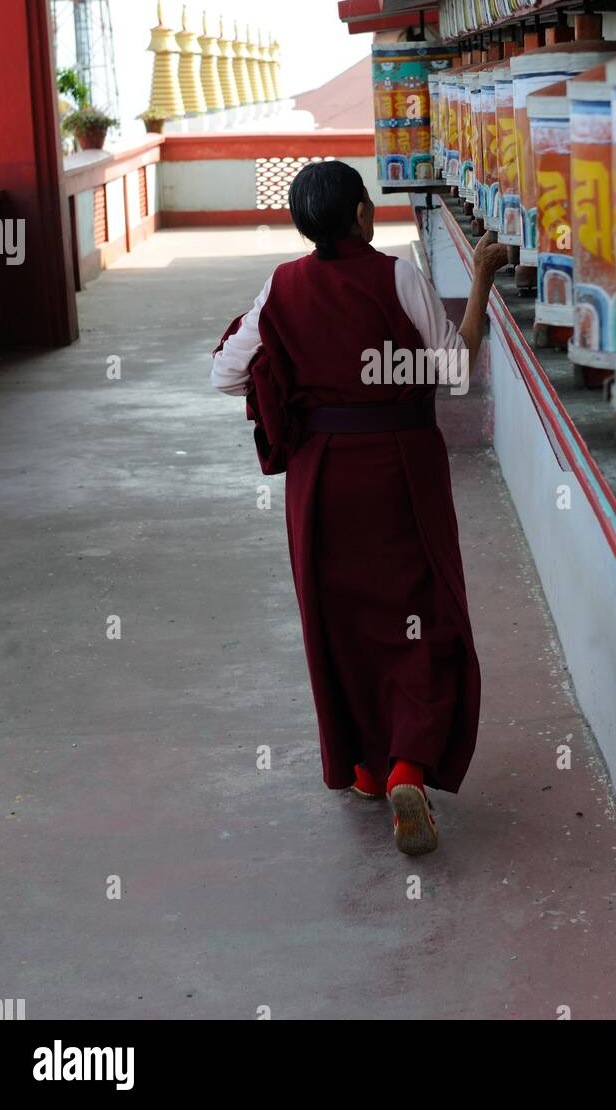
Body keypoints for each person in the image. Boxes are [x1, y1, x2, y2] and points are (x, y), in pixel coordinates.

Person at [211, 160, 508, 855]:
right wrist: (484, 280)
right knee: (420, 612)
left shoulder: (281, 285)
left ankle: (369, 771)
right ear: (361, 216)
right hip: (401, 471)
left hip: (321, 482)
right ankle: (409, 764)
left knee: (343, 621)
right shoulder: (394, 276)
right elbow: (453, 369)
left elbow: (226, 374)